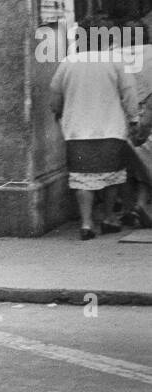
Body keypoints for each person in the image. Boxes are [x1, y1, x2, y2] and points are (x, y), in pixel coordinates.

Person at [48, 19, 140, 239]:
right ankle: (109, 218)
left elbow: (55, 95)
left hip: (77, 130)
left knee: (82, 178)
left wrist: (58, 111)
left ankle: (87, 224)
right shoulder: (115, 60)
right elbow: (129, 93)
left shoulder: (69, 62)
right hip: (111, 128)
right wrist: (134, 118)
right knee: (112, 177)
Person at [122, 19, 152, 228]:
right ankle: (139, 205)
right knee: (146, 163)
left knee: (128, 166)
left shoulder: (113, 55)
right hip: (147, 114)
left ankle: (129, 208)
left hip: (122, 116)